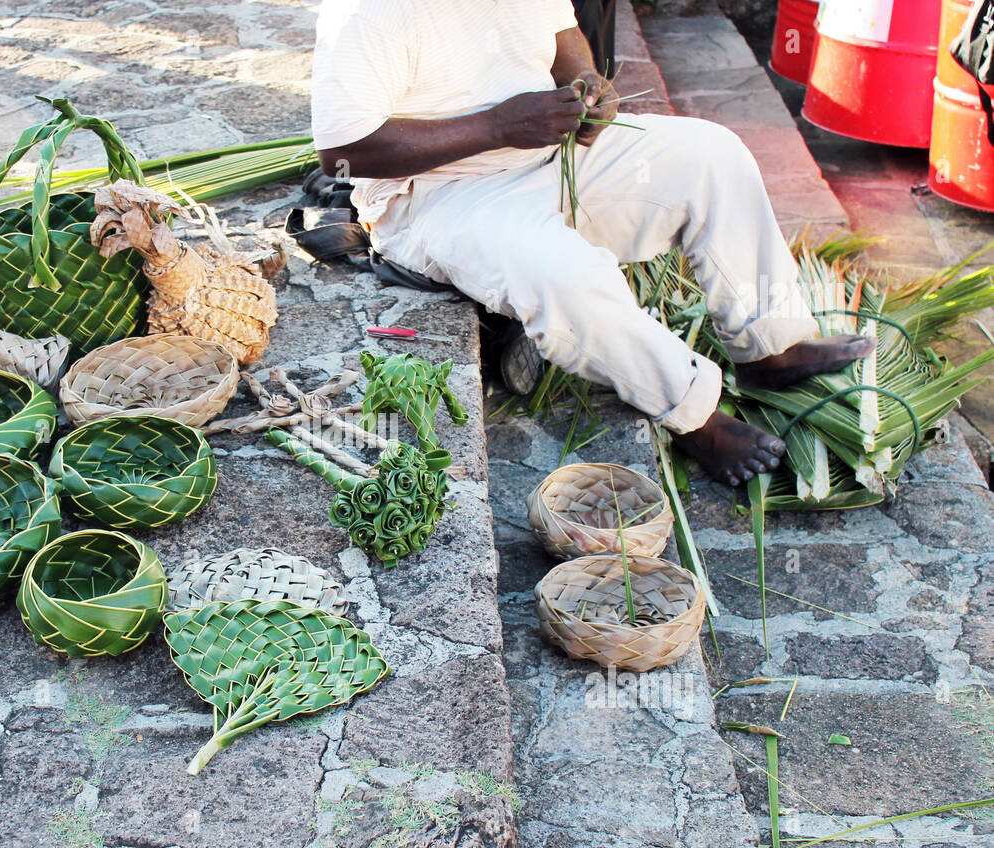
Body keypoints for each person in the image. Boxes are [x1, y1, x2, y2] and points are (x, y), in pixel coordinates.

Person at [310, 0, 873, 486]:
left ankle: (768, 346)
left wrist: (590, 84)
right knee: (564, 277)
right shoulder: (368, 11)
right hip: (440, 194)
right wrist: (497, 128)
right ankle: (695, 417)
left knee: (715, 155)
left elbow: (563, 33)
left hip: (549, 153)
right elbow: (343, 153)